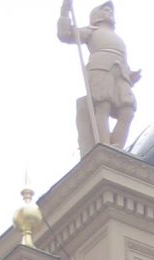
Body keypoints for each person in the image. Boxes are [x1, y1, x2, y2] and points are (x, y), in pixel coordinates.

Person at [56, 2, 140, 151]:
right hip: (100, 68)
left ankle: (117, 147)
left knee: (128, 109)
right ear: (97, 15)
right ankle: (105, 145)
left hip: (121, 72)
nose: (110, 13)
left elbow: (122, 58)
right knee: (103, 105)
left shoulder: (117, 37)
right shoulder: (91, 31)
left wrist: (131, 74)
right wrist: (65, 12)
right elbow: (65, 34)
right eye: (106, 10)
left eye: (111, 11)